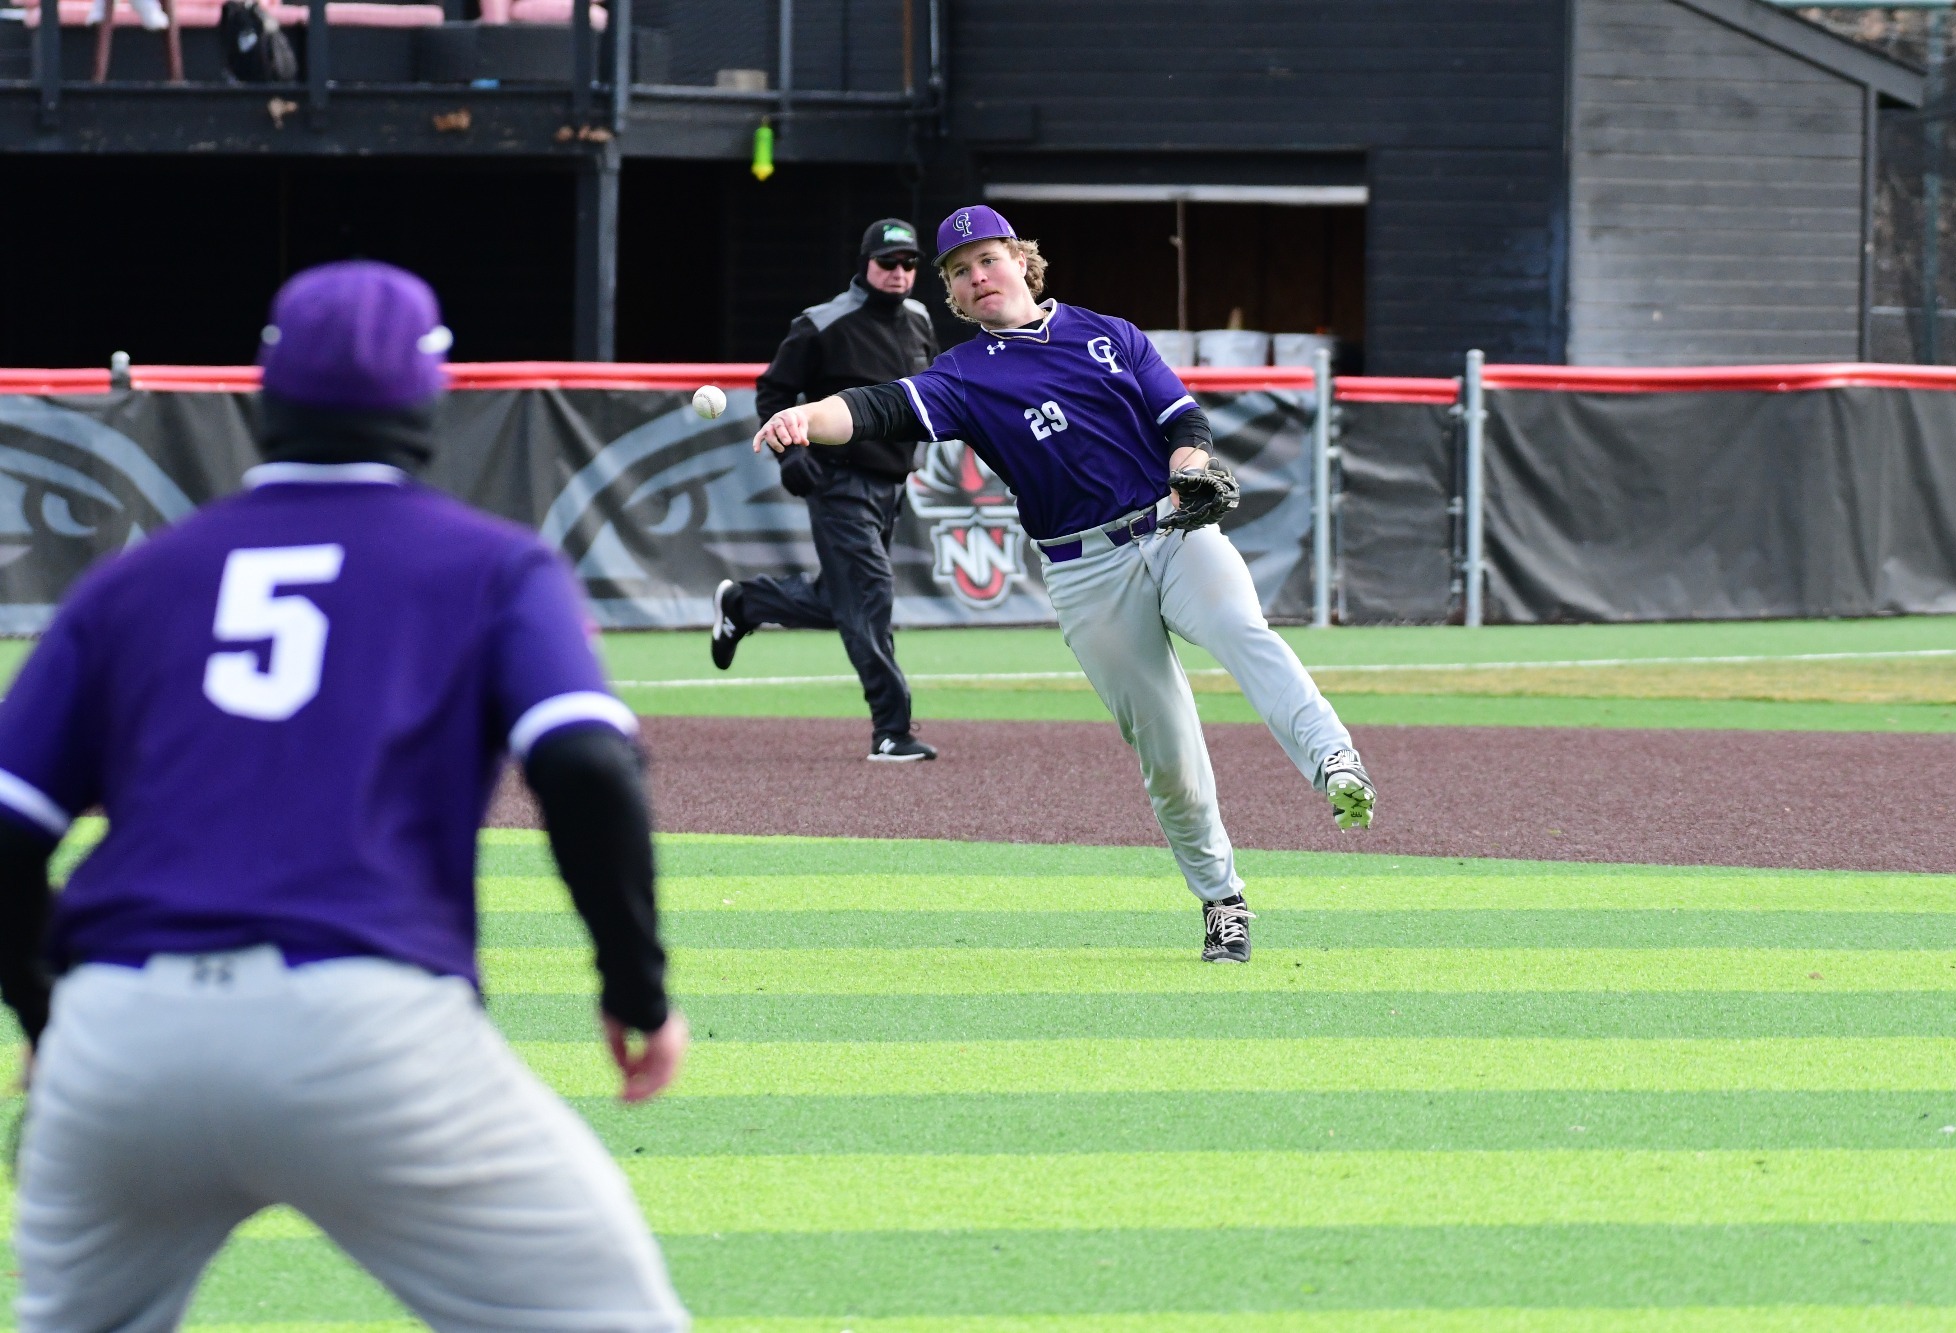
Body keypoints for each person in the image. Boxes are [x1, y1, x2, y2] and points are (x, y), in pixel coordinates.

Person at [0, 261, 692, 1331]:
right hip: (363, 1022)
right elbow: (588, 766)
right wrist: (635, 989)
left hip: (121, 1038)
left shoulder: (132, 581)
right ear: (430, 396)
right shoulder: (495, 566)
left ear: (267, 393)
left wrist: (56, 1016)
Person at [752, 206, 1376, 964]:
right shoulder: (965, 375)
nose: (977, 276)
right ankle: (1222, 900)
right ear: (952, 292)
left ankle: (1334, 761)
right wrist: (806, 417)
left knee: (1244, 631)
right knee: (1167, 751)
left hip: (1173, 529)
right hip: (1085, 569)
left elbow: (1184, 423)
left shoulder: (1110, 334)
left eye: (988, 258)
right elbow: (878, 406)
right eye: (959, 271)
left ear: (1021, 260)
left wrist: (1190, 471)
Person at [712, 217, 942, 762]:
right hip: (838, 480)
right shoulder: (822, 323)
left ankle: (745, 603)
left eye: (910, 263)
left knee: (843, 599)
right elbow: (774, 391)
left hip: (891, 483)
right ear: (865, 264)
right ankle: (892, 729)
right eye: (888, 262)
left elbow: (931, 391)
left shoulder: (918, 319)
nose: (900, 272)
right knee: (871, 595)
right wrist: (791, 453)